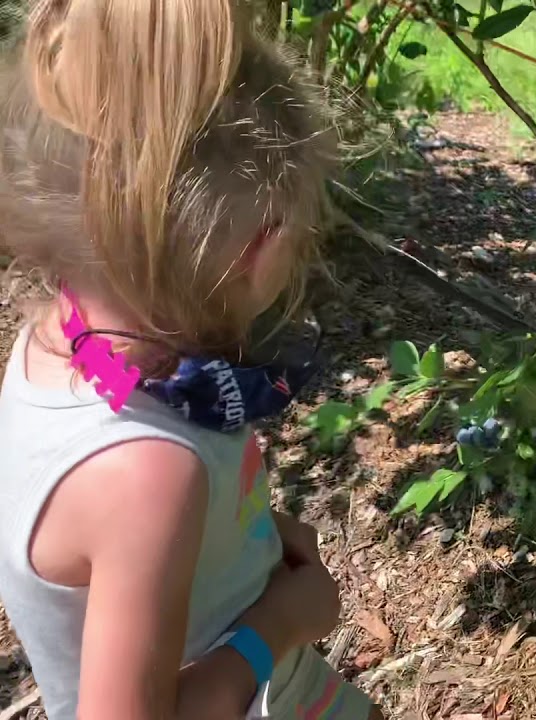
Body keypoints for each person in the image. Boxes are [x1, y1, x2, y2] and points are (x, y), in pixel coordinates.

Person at [0, 2, 381, 718]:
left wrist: (248, 546)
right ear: (259, 246)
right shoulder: (150, 477)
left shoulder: (64, 343)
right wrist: (282, 621)